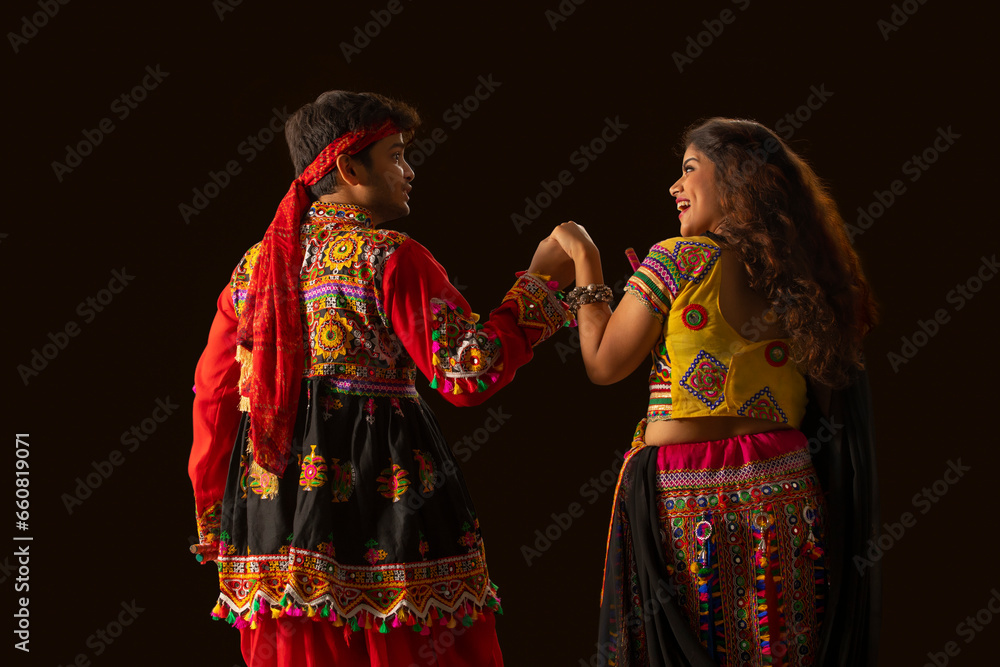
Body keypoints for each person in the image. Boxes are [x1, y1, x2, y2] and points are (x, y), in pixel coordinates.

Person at [187, 90, 573, 666]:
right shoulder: (389, 257)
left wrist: (217, 516)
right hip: (385, 496)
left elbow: (215, 397)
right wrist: (538, 287)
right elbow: (466, 370)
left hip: (271, 510)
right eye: (395, 155)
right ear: (348, 167)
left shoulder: (252, 272)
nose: (409, 171)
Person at [549, 117, 879, 666]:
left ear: (735, 179)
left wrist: (585, 262)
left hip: (688, 495)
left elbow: (604, 364)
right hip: (784, 491)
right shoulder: (800, 276)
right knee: (777, 649)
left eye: (689, 169)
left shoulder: (679, 259)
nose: (674, 187)